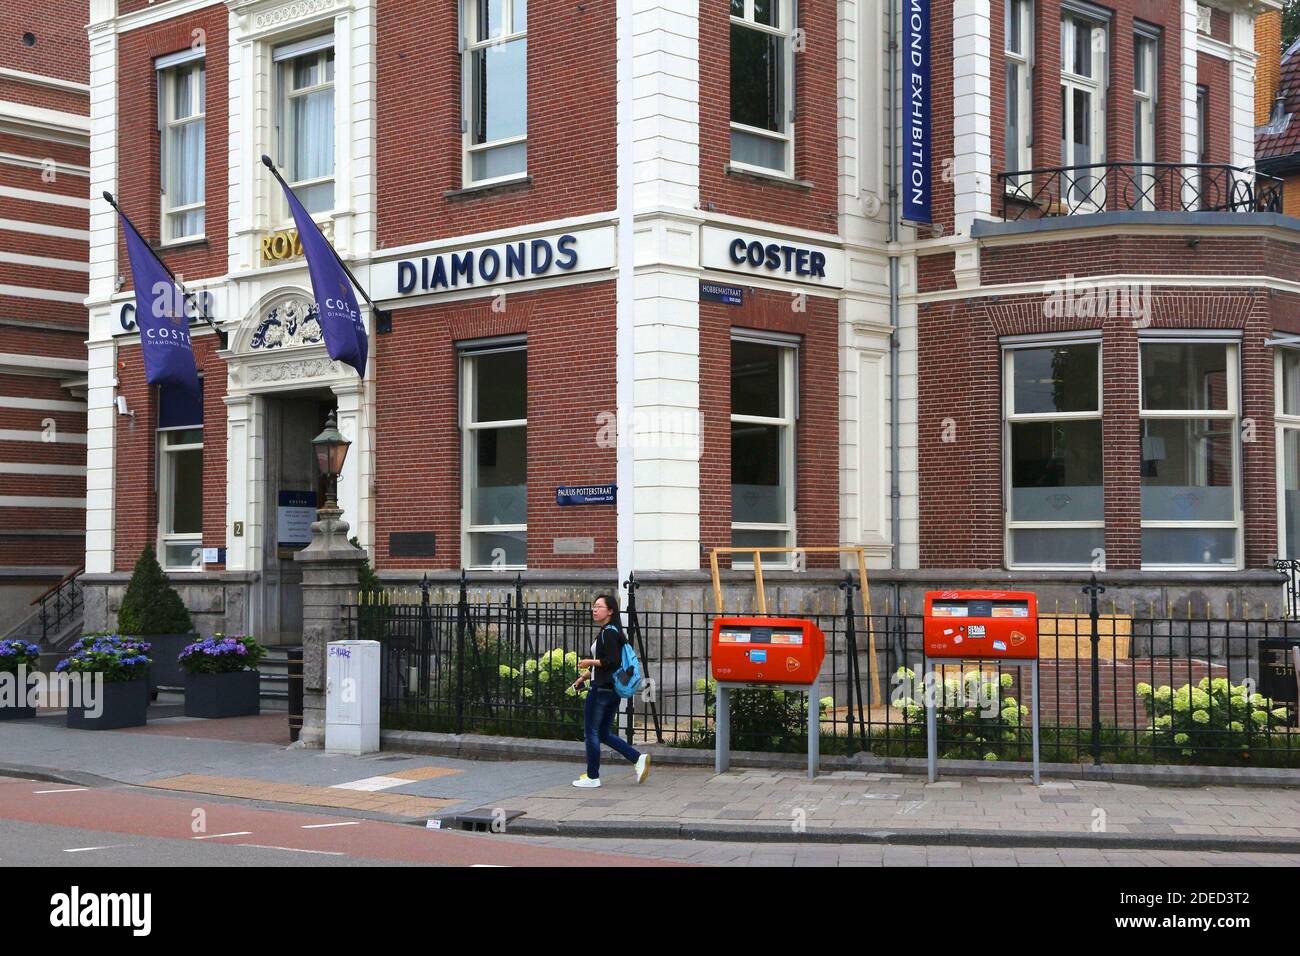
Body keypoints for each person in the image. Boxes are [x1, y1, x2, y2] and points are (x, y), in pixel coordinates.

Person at [572, 593, 650, 788]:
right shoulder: (611, 631)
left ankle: (592, 777)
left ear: (610, 610)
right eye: (593, 606)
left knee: (591, 731)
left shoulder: (609, 632)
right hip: (611, 689)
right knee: (604, 733)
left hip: (601, 690)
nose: (594, 609)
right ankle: (638, 759)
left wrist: (589, 662)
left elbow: (611, 662)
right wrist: (584, 677)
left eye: (599, 606)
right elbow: (607, 664)